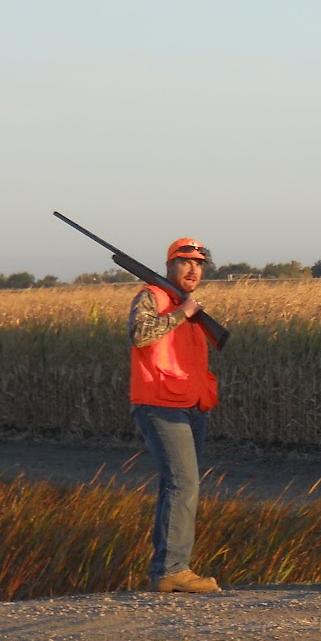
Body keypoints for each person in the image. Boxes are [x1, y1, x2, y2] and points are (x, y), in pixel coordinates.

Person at [129, 237, 221, 594]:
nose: (193, 268)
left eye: (199, 263)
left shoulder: (189, 305)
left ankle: (169, 568)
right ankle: (171, 569)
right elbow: (139, 335)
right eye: (185, 262)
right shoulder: (152, 296)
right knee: (184, 483)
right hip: (159, 402)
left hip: (189, 403)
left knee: (180, 485)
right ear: (169, 266)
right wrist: (182, 313)